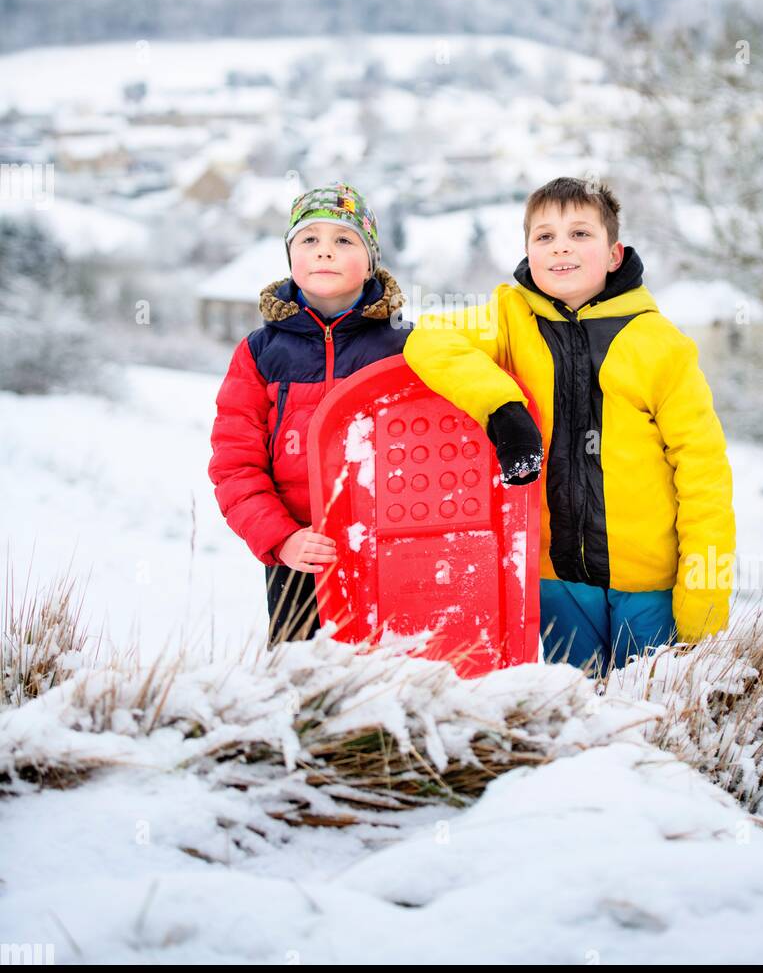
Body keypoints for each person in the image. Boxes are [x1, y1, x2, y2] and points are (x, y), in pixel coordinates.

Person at [402, 175, 736, 675]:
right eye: (545, 236)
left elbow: (704, 476)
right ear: (528, 253)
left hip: (649, 588)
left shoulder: (661, 346)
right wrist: (503, 408)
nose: (561, 247)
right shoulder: (509, 321)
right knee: (578, 709)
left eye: (580, 233)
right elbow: (429, 339)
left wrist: (702, 605)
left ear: (614, 254)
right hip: (557, 583)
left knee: (653, 711)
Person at [208, 182, 411, 646]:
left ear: (371, 260)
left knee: (394, 666)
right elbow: (234, 464)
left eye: (344, 239)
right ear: (290, 256)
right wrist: (280, 539)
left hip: (388, 548)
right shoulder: (260, 354)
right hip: (300, 554)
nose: (325, 251)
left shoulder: (406, 346)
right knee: (301, 674)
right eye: (309, 239)